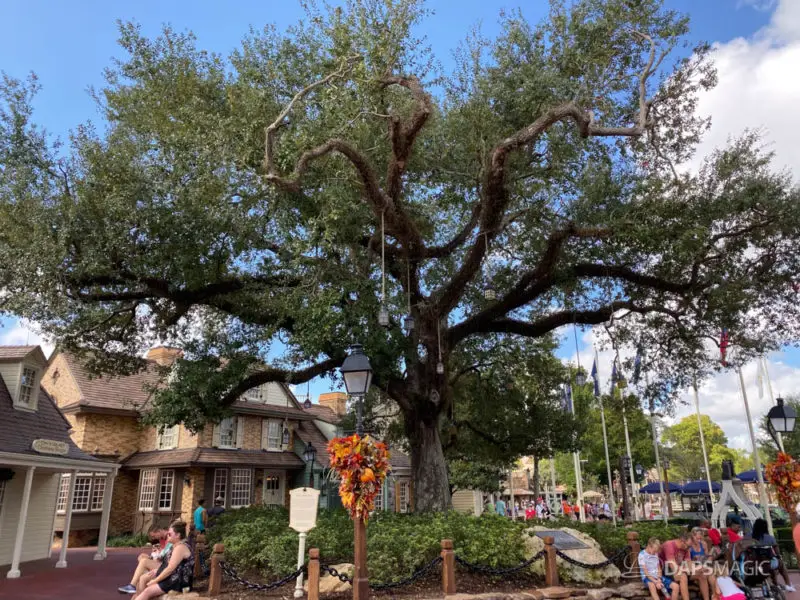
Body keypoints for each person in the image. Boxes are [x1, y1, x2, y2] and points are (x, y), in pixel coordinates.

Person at [133, 520, 194, 600]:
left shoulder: (180, 548)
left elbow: (170, 568)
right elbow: (169, 564)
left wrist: (155, 580)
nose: (167, 535)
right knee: (143, 582)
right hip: (173, 578)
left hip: (178, 582)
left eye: (170, 534)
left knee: (147, 591)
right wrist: (158, 570)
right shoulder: (176, 546)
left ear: (178, 535)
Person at [751, 518, 795, 591]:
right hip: (767, 562)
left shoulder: (749, 536)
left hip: (752, 563)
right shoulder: (769, 538)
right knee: (781, 565)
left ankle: (776, 584)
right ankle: (788, 585)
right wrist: (778, 556)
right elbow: (776, 549)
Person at [659, 531, 692, 600]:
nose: (689, 548)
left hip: (678, 568)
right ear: (682, 541)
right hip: (664, 569)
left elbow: (688, 564)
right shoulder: (669, 545)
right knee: (683, 576)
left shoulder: (686, 548)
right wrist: (686, 569)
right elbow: (673, 566)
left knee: (702, 574)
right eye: (688, 546)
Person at [687, 526, 715, 600]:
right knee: (706, 574)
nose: (699, 540)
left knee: (711, 574)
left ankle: (715, 595)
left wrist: (709, 558)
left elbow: (707, 555)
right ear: (692, 536)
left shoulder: (703, 544)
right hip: (694, 566)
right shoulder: (689, 546)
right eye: (697, 538)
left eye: (700, 537)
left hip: (704, 565)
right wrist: (694, 558)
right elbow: (688, 560)